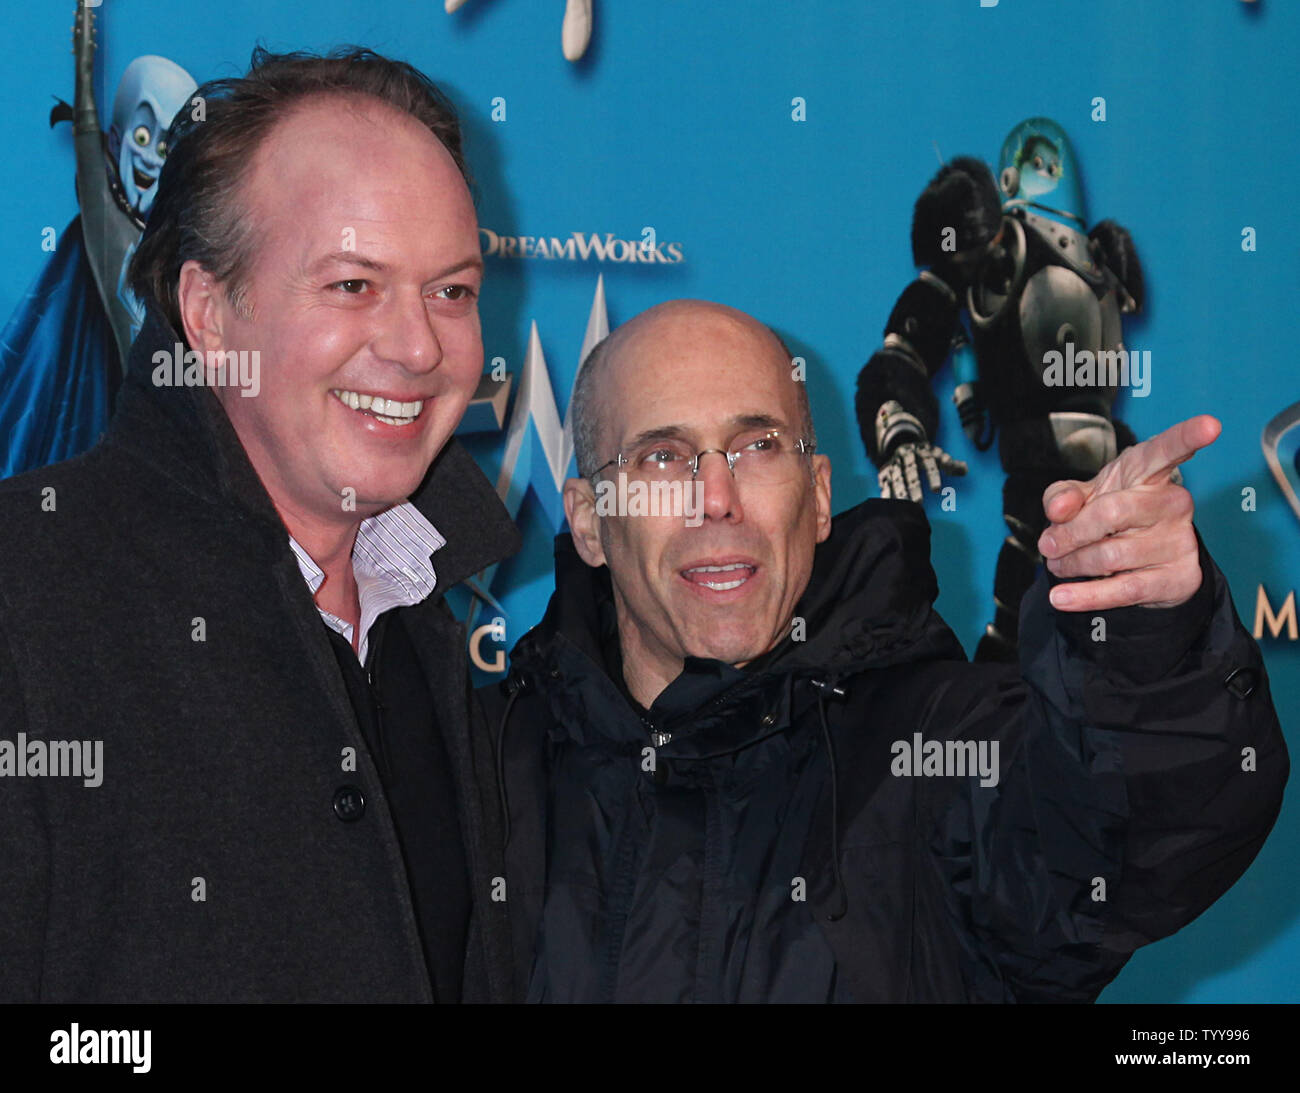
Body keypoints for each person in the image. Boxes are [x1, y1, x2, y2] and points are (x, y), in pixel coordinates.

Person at [489, 298, 1288, 1003]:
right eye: (662, 456)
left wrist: (1145, 634)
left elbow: (1132, 832)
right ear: (591, 519)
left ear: (822, 496)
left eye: (758, 446)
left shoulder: (941, 752)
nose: (718, 499)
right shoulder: (490, 766)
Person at [0, 48, 519, 1002]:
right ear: (208, 312)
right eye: (353, 285)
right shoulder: (26, 599)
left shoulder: (440, 634)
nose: (417, 347)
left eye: (452, 290)